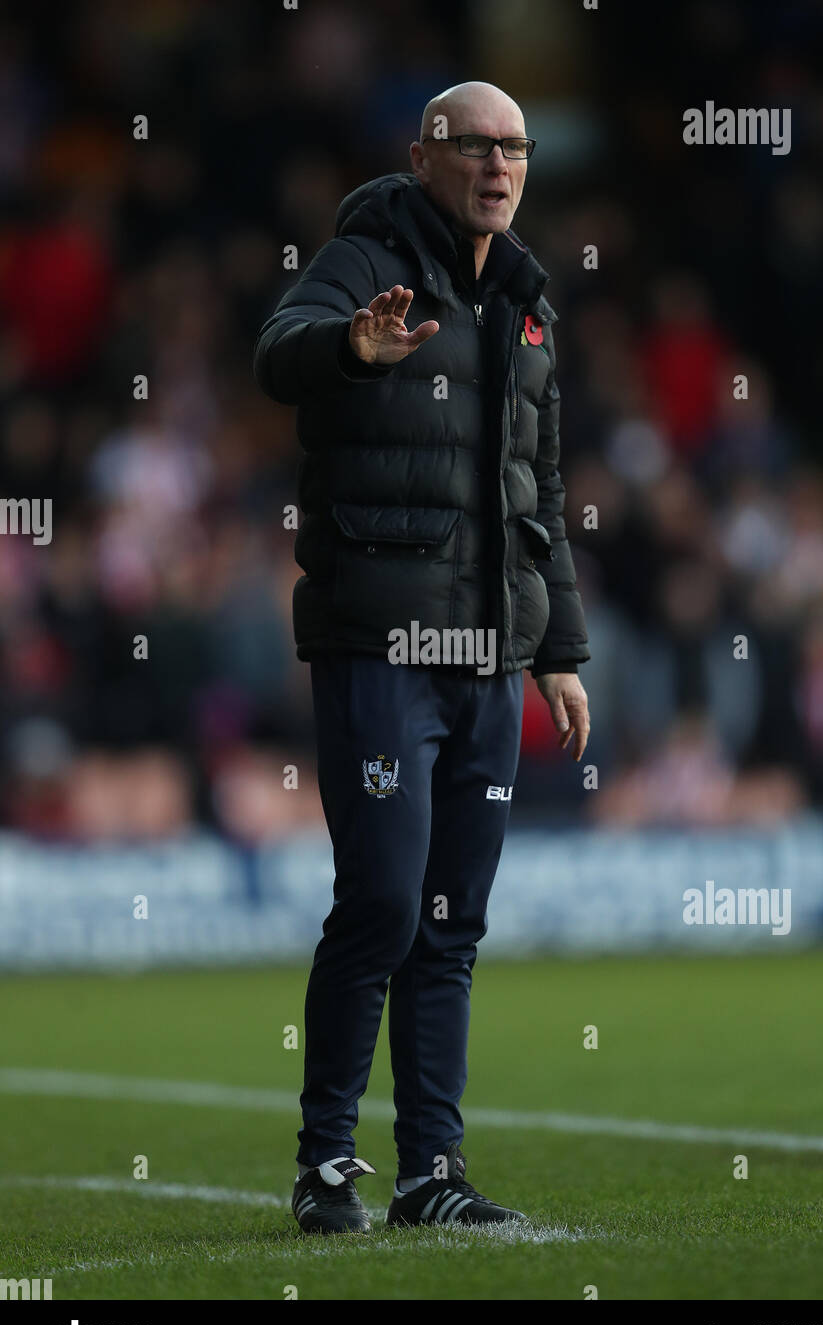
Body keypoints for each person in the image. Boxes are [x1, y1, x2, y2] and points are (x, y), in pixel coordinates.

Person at [254, 81, 590, 1234]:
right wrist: (352, 349)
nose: (498, 164)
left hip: (488, 653)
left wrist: (558, 647)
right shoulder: (364, 253)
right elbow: (277, 353)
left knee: (449, 919)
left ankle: (428, 1172)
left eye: (516, 147)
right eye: (476, 145)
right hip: (382, 639)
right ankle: (325, 1163)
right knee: (385, 904)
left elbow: (537, 493)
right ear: (424, 154)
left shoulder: (529, 301)